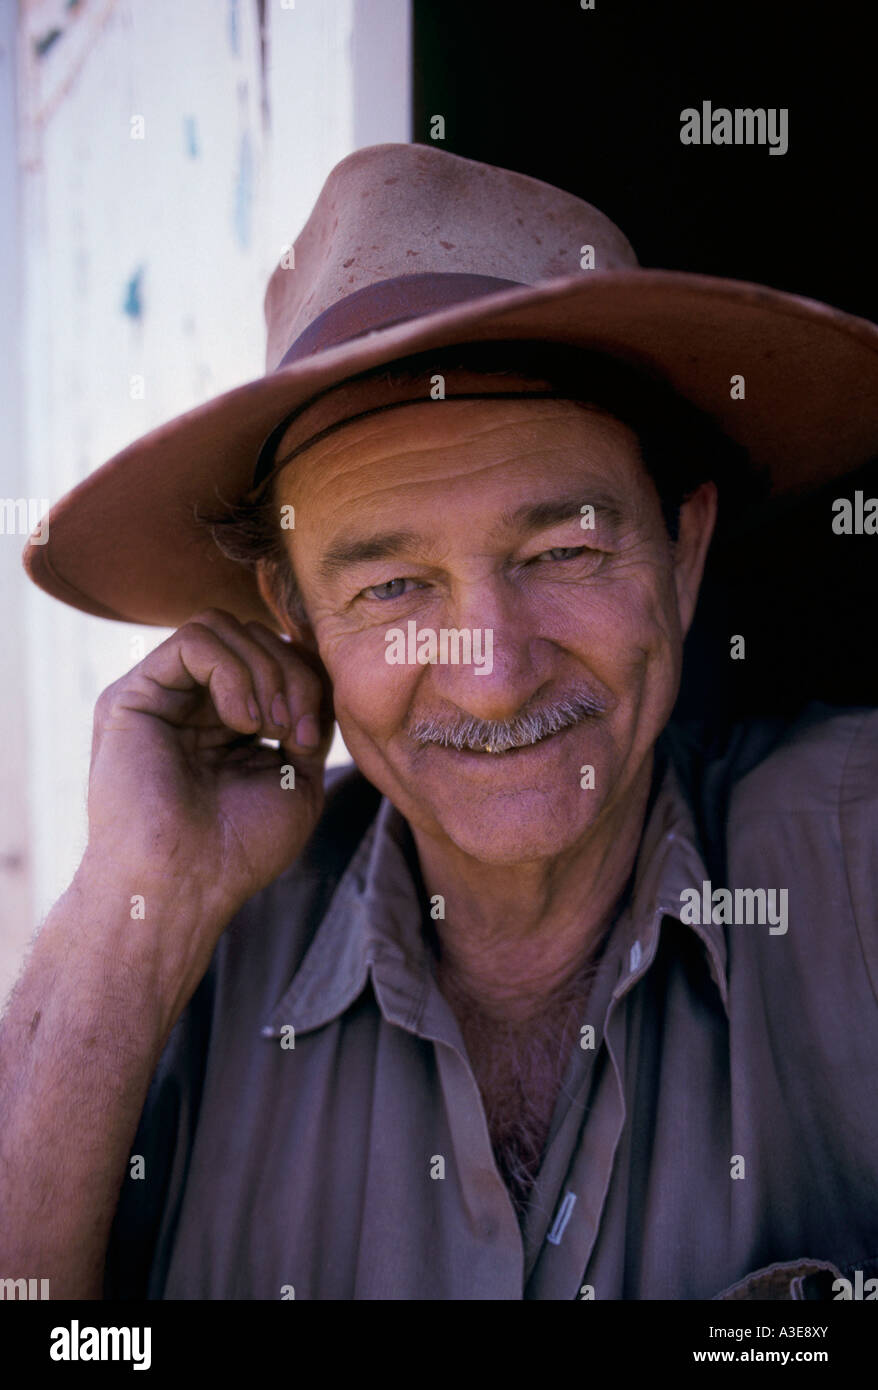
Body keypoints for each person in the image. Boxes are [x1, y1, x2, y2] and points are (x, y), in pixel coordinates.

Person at [3, 142, 878, 1300]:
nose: (492, 677)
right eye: (389, 589)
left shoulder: (850, 868)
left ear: (683, 551)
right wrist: (134, 897)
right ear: (296, 618)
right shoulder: (185, 964)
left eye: (562, 551)